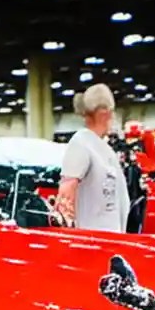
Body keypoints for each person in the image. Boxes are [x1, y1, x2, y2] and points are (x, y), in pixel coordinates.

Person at [56, 84, 129, 232]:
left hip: (111, 238)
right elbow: (66, 193)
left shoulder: (103, 147)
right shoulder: (81, 143)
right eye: (111, 111)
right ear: (103, 113)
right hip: (93, 241)